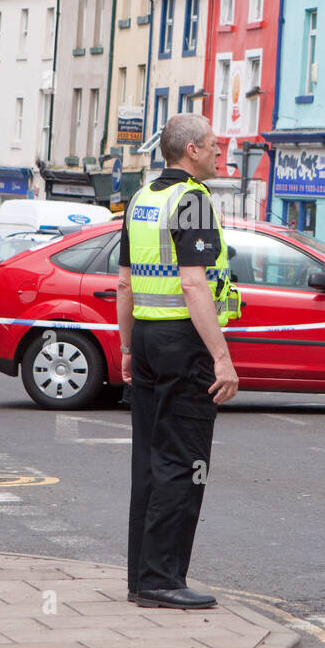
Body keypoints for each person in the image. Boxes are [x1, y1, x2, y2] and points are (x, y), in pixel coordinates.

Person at [116, 114, 241, 610]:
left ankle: (141, 577)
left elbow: (124, 283)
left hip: (146, 337)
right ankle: (163, 580)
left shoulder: (142, 199)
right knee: (184, 460)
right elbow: (193, 284)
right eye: (213, 145)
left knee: (149, 459)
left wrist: (127, 348)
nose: (218, 153)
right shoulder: (192, 201)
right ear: (191, 151)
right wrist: (222, 358)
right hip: (182, 344)